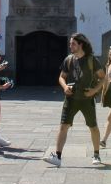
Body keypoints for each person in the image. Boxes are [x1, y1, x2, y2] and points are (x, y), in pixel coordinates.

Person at [44, 33, 104, 167]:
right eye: (70, 43)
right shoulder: (69, 60)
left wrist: (94, 91)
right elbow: (61, 77)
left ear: (80, 45)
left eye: (73, 44)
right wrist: (65, 87)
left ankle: (96, 154)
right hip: (71, 98)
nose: (70, 46)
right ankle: (57, 156)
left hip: (86, 99)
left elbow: (103, 78)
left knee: (93, 127)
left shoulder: (91, 60)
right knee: (63, 126)